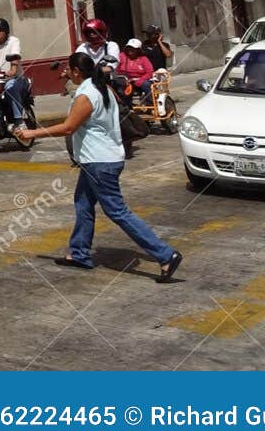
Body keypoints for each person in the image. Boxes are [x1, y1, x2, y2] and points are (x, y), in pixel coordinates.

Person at [14, 51, 182, 281]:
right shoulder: (103, 88)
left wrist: (31, 132)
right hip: (102, 159)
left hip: (99, 163)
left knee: (118, 212)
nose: (67, 73)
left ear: (76, 71)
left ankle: (165, 255)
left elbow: (68, 128)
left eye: (69, 70)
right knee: (83, 203)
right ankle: (79, 253)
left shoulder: (86, 94)